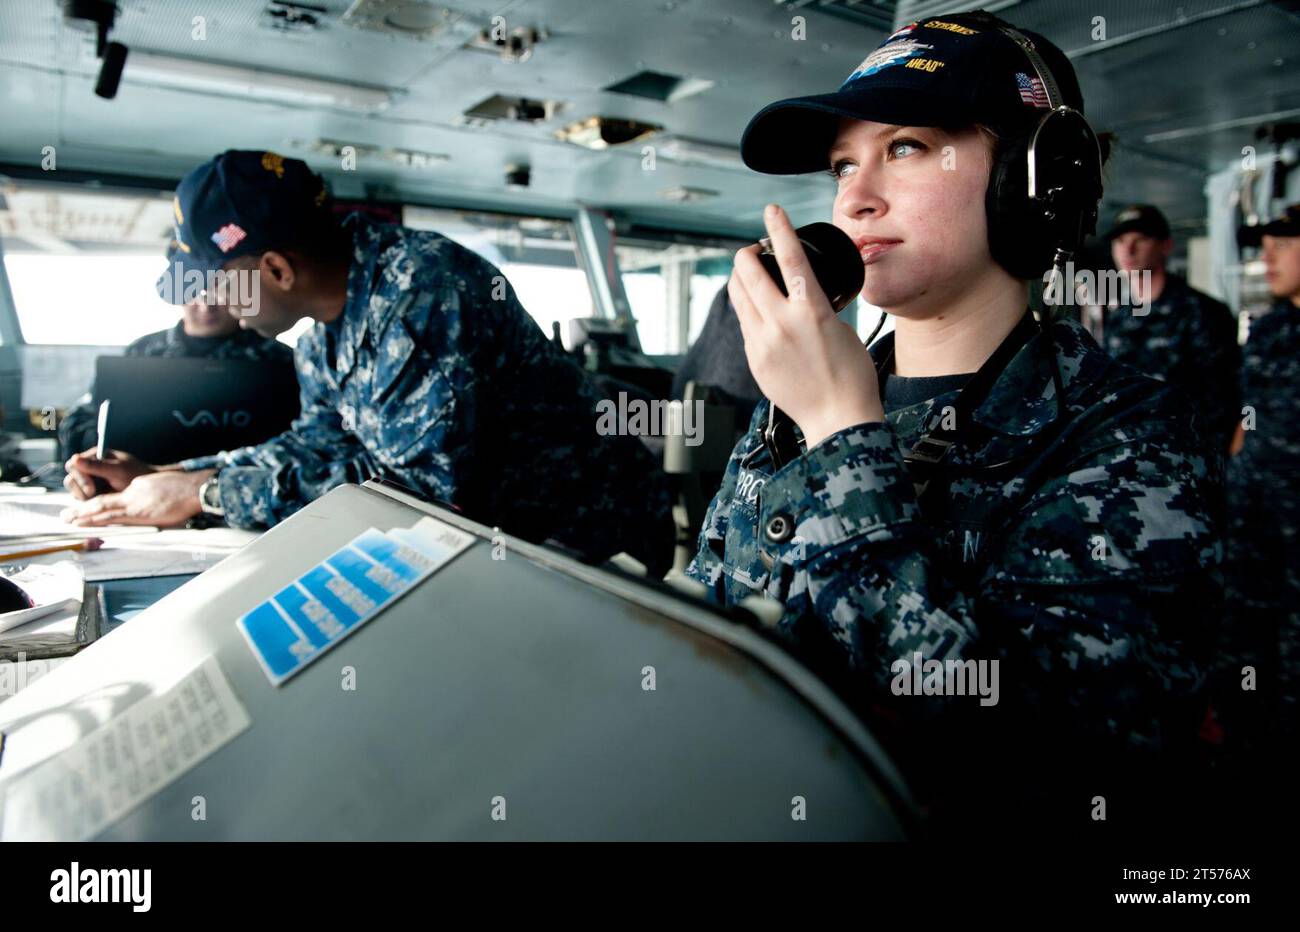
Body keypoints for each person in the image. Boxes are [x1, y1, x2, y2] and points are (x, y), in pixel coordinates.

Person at [686, 11, 1223, 832]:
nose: (856, 199)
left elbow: (1046, 769)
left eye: (904, 148)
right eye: (841, 166)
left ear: (1036, 180)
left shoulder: (1135, 440)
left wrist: (840, 437)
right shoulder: (791, 404)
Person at [63, 150, 673, 574]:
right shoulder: (322, 336)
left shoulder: (421, 293)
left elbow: (420, 495)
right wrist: (164, 473)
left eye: (219, 284)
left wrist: (208, 495)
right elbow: (316, 448)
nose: (212, 302)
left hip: (588, 540)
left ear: (276, 269)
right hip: (502, 541)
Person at [57, 266, 294, 463]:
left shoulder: (278, 357)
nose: (206, 304)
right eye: (195, 292)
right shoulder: (142, 353)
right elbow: (80, 420)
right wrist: (101, 450)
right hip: (140, 484)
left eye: (218, 292)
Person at [1219, 204, 1300, 757]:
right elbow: (1246, 416)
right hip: (1253, 509)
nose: (1266, 257)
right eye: (1264, 244)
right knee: (1244, 626)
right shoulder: (1270, 327)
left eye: (1284, 244)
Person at [1101, 204, 1241, 454]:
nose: (1128, 250)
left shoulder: (1202, 311)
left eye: (1140, 239)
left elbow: (1231, 394)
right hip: (1131, 454)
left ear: (1165, 246)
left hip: (1189, 456)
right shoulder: (1119, 316)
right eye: (1120, 241)